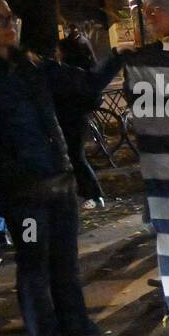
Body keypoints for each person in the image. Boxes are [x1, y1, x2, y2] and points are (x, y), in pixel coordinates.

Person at [0, 0, 126, 336]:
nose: (9, 24)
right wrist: (4, 182)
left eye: (11, 16)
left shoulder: (31, 65)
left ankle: (81, 335)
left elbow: (86, 85)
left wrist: (123, 58)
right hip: (22, 189)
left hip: (58, 178)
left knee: (65, 264)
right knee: (35, 269)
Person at [55, 23, 107, 210]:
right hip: (77, 116)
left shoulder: (70, 74)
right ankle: (89, 193)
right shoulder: (81, 71)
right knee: (75, 156)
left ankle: (94, 193)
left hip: (73, 117)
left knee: (76, 156)